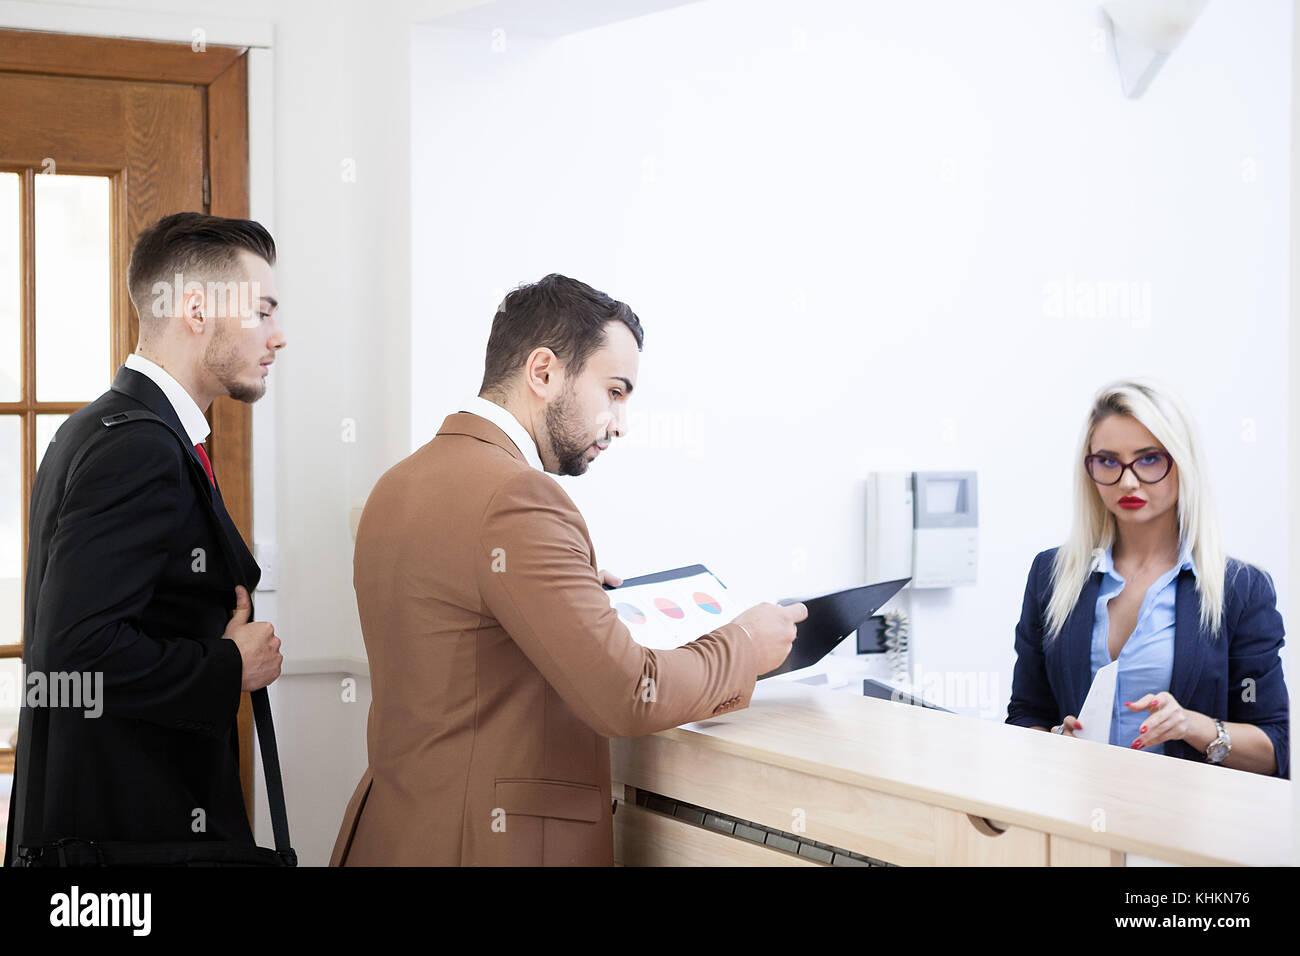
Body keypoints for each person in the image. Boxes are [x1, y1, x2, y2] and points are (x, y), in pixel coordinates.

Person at [330, 273, 804, 866]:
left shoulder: (397, 484)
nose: (622, 423)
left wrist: (566, 593)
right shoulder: (518, 497)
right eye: (615, 391)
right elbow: (628, 694)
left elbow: (463, 643)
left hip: (390, 835)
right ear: (544, 372)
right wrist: (744, 645)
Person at [4, 212, 288, 865]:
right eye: (263, 311)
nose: (279, 336)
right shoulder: (139, 448)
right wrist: (227, 667)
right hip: (128, 845)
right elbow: (75, 652)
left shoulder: (97, 429)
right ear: (195, 308)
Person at [1006, 380, 1288, 777]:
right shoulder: (1052, 576)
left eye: (1149, 459)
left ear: (1182, 462)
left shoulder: (1238, 589)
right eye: (1107, 461)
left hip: (1188, 828)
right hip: (1077, 822)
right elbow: (1024, 713)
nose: (1128, 481)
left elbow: (1276, 747)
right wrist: (1053, 741)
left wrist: (1193, 726)